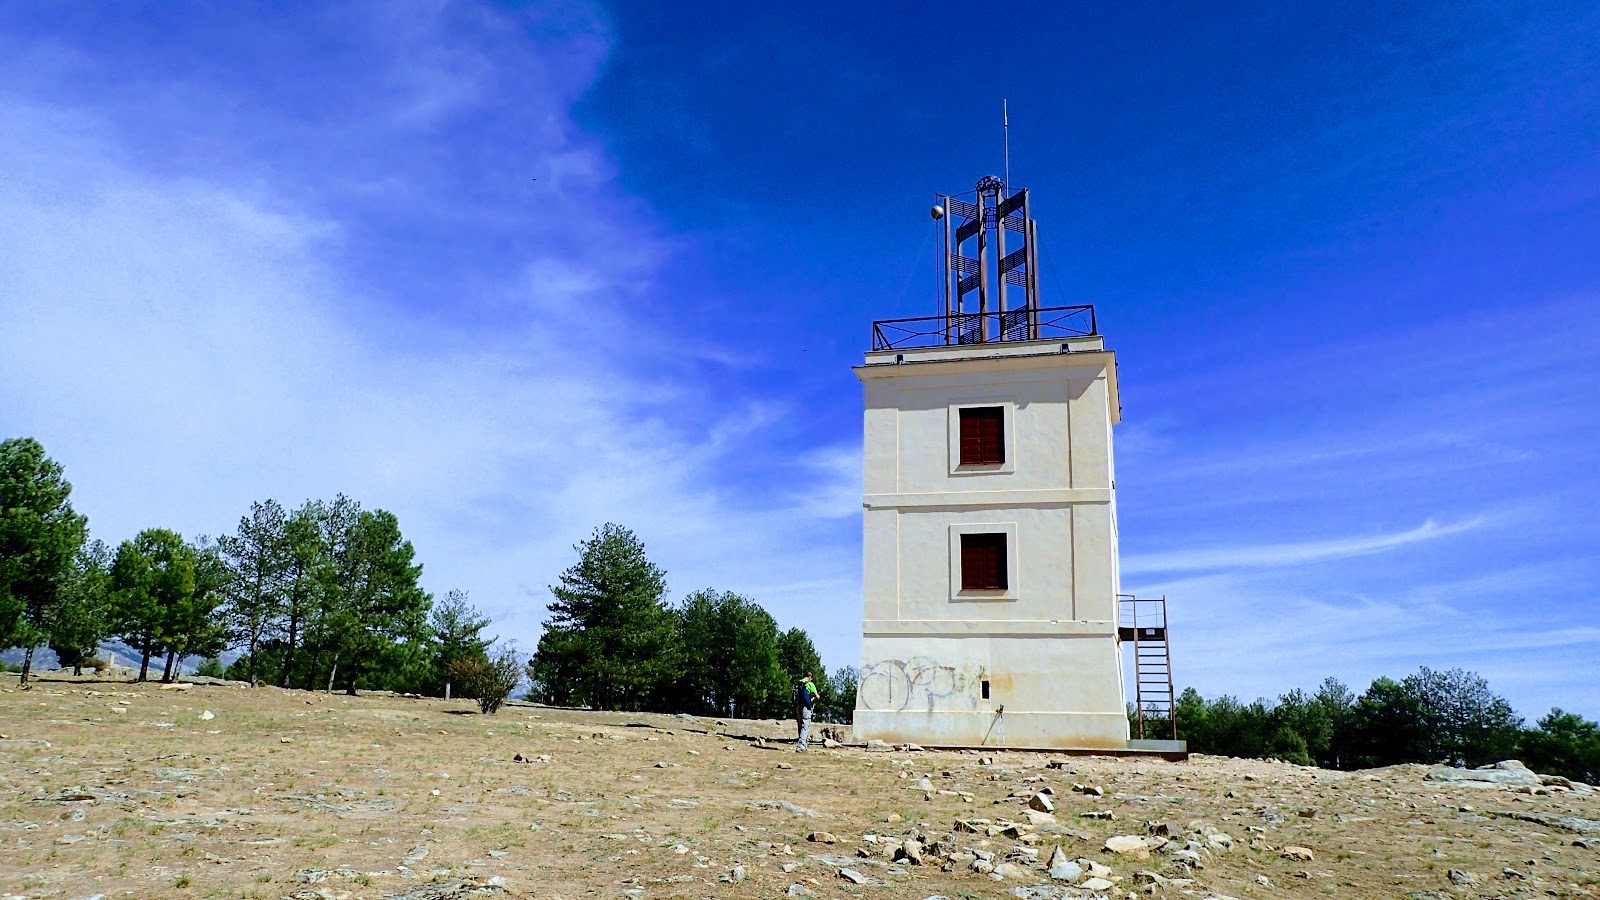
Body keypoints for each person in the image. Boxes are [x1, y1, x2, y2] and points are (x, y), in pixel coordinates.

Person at [794, 672, 819, 751]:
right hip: (805, 707)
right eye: (811, 678)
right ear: (809, 676)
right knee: (805, 727)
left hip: (797, 706)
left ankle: (803, 745)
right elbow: (817, 696)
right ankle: (801, 746)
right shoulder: (810, 684)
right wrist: (813, 699)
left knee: (800, 726)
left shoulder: (798, 683)